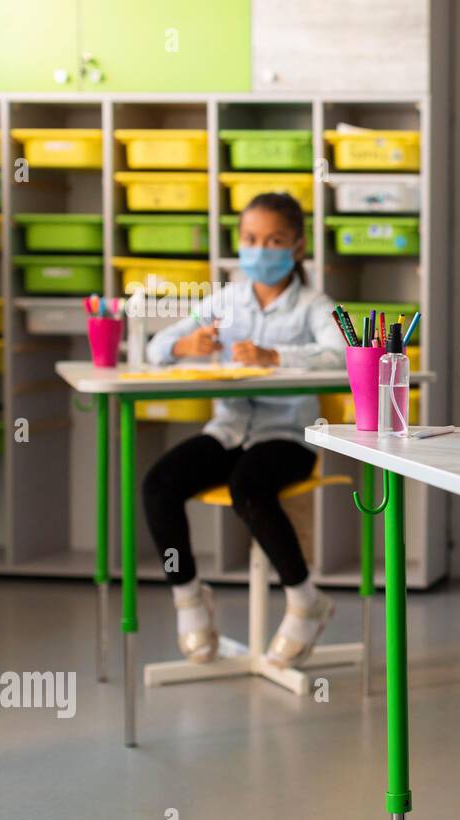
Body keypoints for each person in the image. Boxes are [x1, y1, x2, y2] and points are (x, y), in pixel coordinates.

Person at [142, 192, 345, 666]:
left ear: (297, 246)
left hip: (290, 437)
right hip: (230, 431)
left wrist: (278, 357)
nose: (260, 249)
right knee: (158, 485)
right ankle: (190, 598)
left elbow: (341, 353)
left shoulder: (314, 305)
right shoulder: (226, 301)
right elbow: (157, 347)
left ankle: (305, 601)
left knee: (247, 488)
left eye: (274, 240)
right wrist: (185, 344)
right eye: (251, 239)